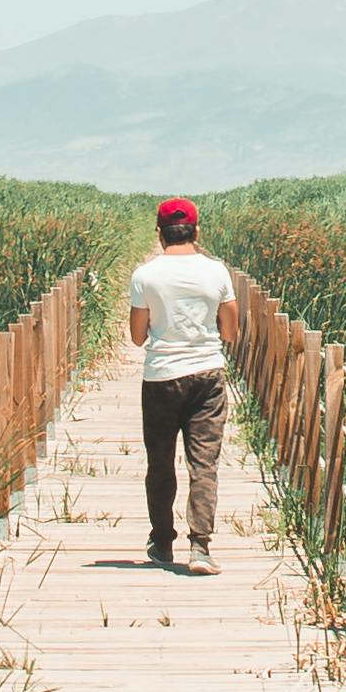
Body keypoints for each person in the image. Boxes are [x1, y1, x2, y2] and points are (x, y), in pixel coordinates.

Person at [125, 195, 234, 569]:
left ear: (159, 233)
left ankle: (162, 543)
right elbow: (231, 331)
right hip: (207, 375)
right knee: (204, 463)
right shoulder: (217, 272)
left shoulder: (145, 275)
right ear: (196, 230)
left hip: (161, 378)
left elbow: (138, 337)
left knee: (160, 463)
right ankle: (200, 546)